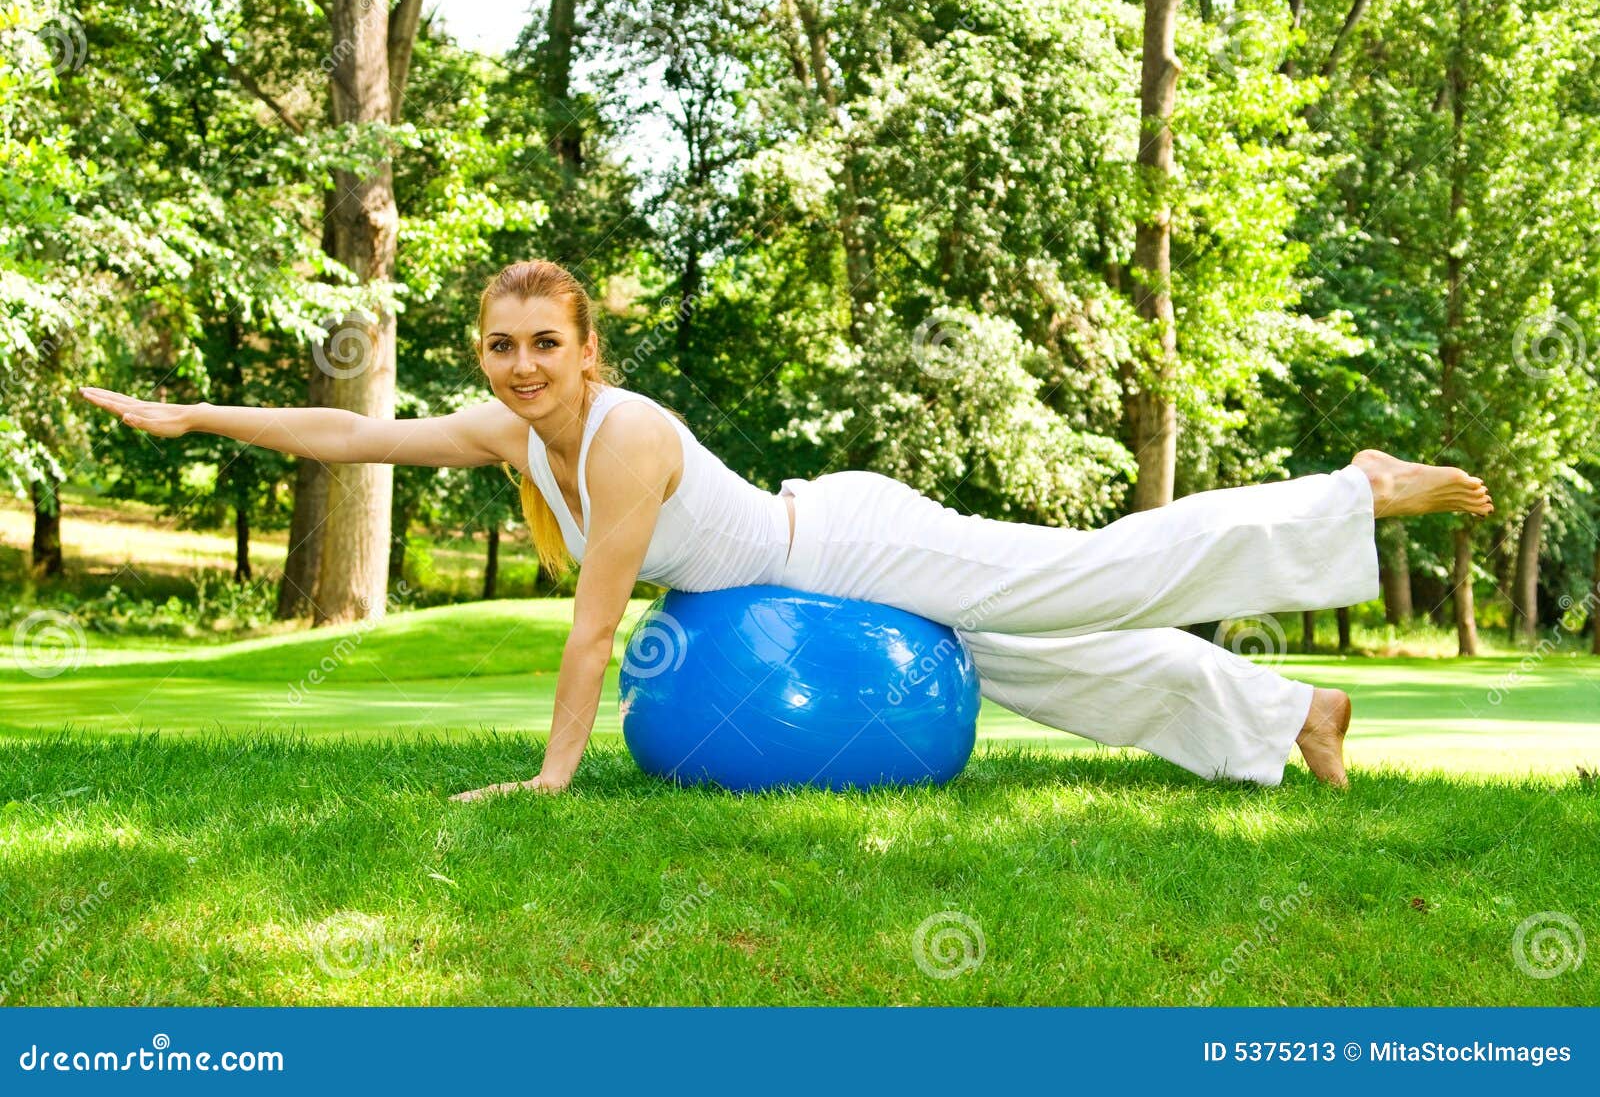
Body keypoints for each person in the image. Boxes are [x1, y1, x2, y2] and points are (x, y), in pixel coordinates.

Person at [79, 260, 1494, 801]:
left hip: (843, 554)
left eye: (544, 346)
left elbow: (594, 622)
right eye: (500, 347)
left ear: (588, 347)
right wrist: (194, 417)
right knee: (1035, 667)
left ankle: (1347, 489)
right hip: (798, 592)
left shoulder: (622, 439)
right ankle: (1294, 711)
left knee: (1081, 577)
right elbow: (352, 433)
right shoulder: (512, 430)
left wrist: (554, 779)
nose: (518, 368)